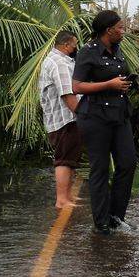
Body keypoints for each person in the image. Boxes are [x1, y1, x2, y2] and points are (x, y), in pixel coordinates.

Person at [72, 10, 136, 234]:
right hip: (95, 117)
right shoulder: (88, 52)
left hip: (120, 115)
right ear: (108, 30)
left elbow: (120, 79)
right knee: (100, 170)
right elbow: (77, 86)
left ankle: (117, 217)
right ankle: (101, 224)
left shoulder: (118, 51)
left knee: (127, 163)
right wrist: (109, 84)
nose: (123, 31)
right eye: (120, 27)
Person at [39, 30, 81, 209]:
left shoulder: (60, 60)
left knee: (70, 158)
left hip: (67, 118)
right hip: (64, 118)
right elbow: (67, 93)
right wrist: (82, 113)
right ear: (65, 45)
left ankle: (68, 196)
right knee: (64, 159)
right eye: (74, 44)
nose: (75, 47)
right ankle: (62, 199)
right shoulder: (58, 63)